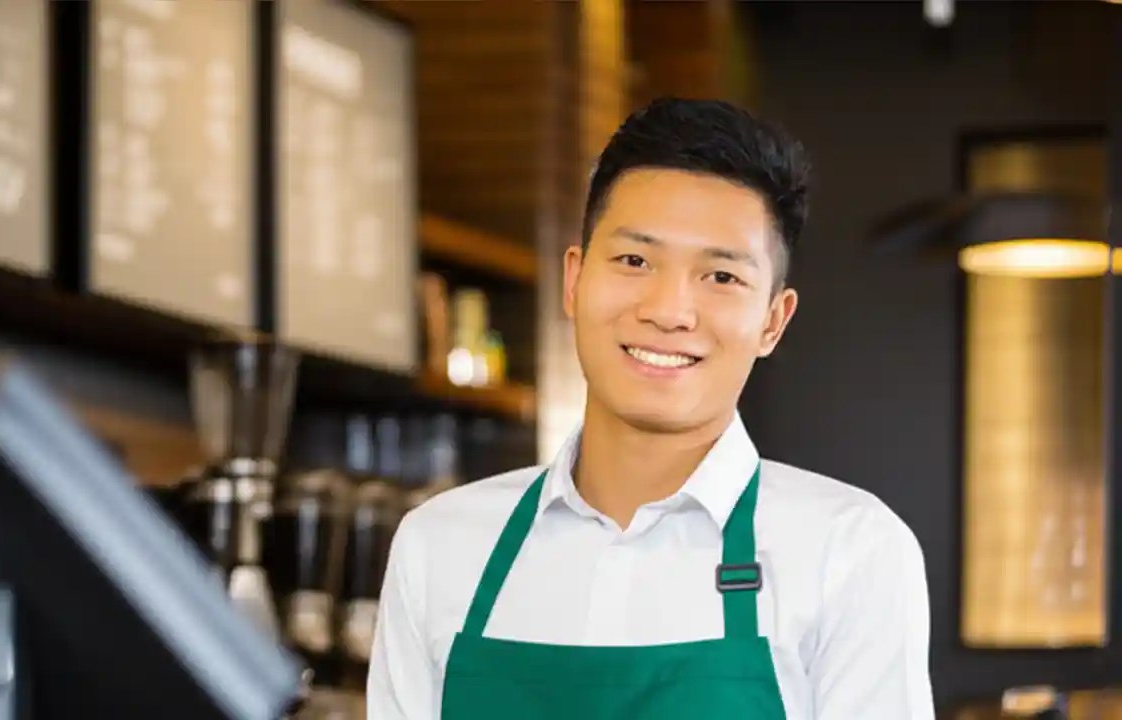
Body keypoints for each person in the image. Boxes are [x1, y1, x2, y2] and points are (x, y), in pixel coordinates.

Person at [366, 98, 934, 719]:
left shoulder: (848, 553)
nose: (668, 311)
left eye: (721, 277)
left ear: (773, 321)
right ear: (575, 282)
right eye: (635, 261)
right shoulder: (439, 547)